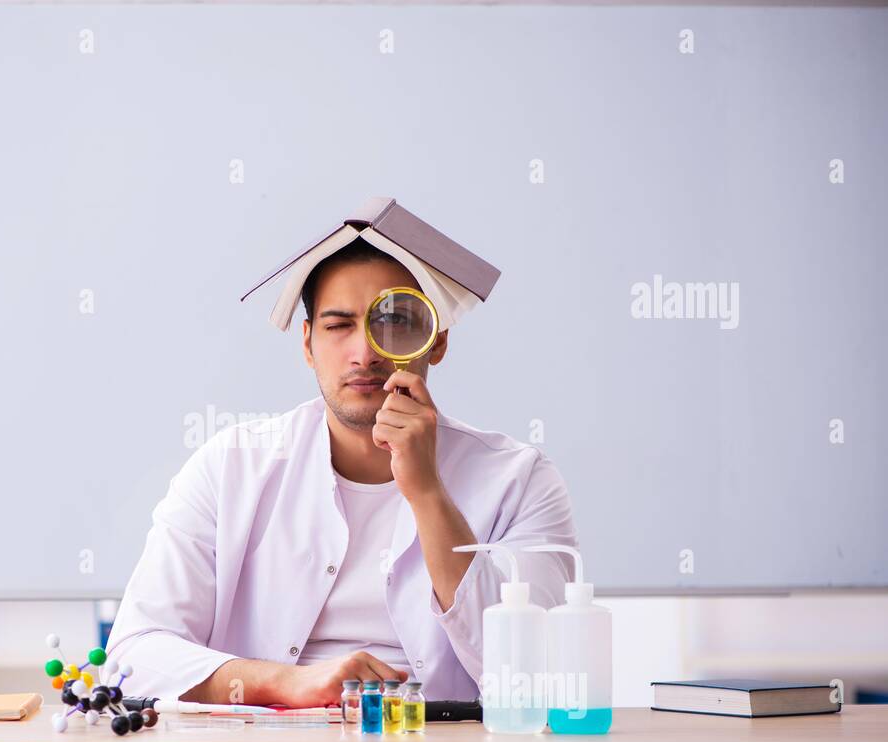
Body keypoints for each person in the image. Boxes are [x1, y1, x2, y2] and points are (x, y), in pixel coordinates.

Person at [105, 237, 578, 707]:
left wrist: (428, 493)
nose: (365, 353)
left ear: (437, 342)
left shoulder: (520, 480)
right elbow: (135, 657)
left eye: (394, 321)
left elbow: (541, 677)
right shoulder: (230, 467)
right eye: (339, 326)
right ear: (307, 344)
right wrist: (288, 683)